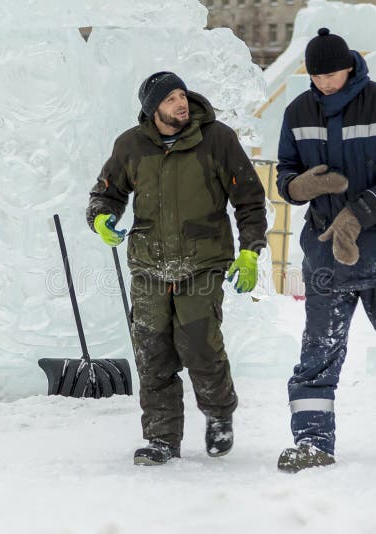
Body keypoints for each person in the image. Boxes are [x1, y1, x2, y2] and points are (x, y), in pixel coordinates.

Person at [275, 29, 376, 473]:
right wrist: (297, 186)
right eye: (315, 76)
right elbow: (285, 172)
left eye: (330, 74)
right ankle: (313, 442)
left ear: (349, 65)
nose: (323, 83)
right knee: (318, 353)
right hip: (327, 258)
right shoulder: (297, 111)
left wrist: (360, 213)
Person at [87, 71, 267, 466]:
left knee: (200, 347)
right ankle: (162, 439)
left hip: (202, 263)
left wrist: (251, 251)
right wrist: (101, 218)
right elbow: (107, 192)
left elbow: (250, 199)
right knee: (152, 355)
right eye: (170, 99)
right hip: (149, 266)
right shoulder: (131, 146)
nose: (180, 103)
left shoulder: (217, 139)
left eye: (182, 95)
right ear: (153, 109)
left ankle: (219, 413)